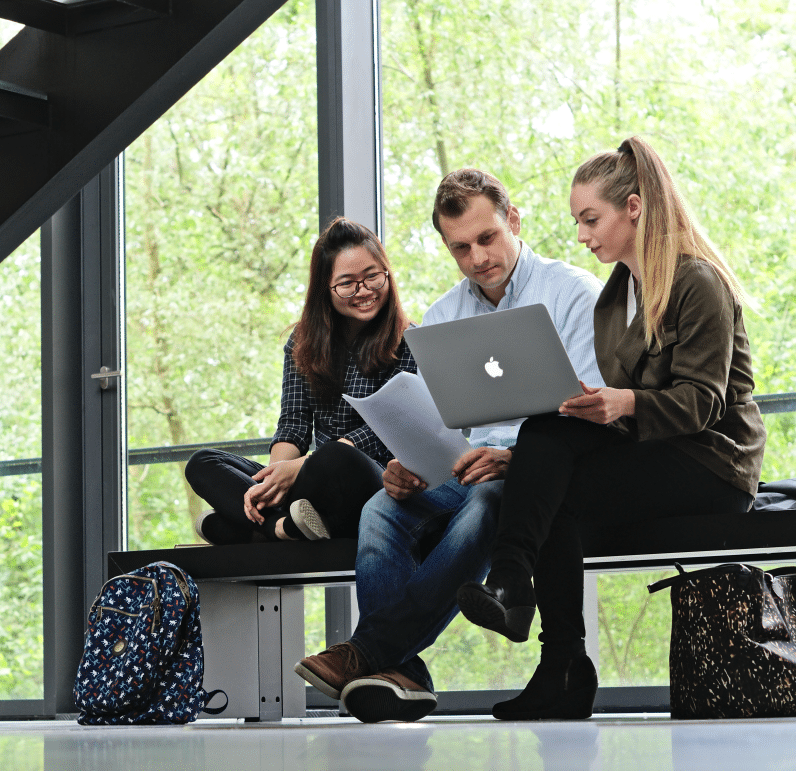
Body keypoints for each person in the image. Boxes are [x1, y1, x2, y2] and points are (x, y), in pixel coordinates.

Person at [456, 136, 767, 720]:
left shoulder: (697, 282)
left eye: (589, 218)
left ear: (634, 208)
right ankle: (540, 634)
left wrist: (623, 403)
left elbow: (702, 404)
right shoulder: (614, 296)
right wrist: (586, 414)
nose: (581, 235)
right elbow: (610, 413)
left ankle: (546, 643)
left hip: (712, 464)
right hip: (653, 453)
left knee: (551, 482)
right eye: (578, 221)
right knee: (544, 437)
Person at [294, 169, 605, 722]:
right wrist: (403, 463)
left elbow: (590, 411)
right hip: (456, 471)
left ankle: (370, 653)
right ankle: (404, 670)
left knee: (487, 502)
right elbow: (433, 423)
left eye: (487, 238)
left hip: (531, 476)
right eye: (461, 247)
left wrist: (513, 458)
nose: (478, 257)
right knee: (380, 508)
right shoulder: (441, 319)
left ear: (513, 221)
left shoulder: (572, 293)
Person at [185, 216, 416, 544]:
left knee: (337, 456)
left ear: (387, 275)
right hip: (310, 482)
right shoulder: (303, 341)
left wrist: (300, 468)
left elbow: (388, 431)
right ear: (326, 288)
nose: (364, 291)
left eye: (373, 277)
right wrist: (275, 480)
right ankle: (280, 527)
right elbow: (293, 426)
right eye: (348, 283)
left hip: (368, 483)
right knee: (203, 463)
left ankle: (245, 526)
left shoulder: (412, 341)